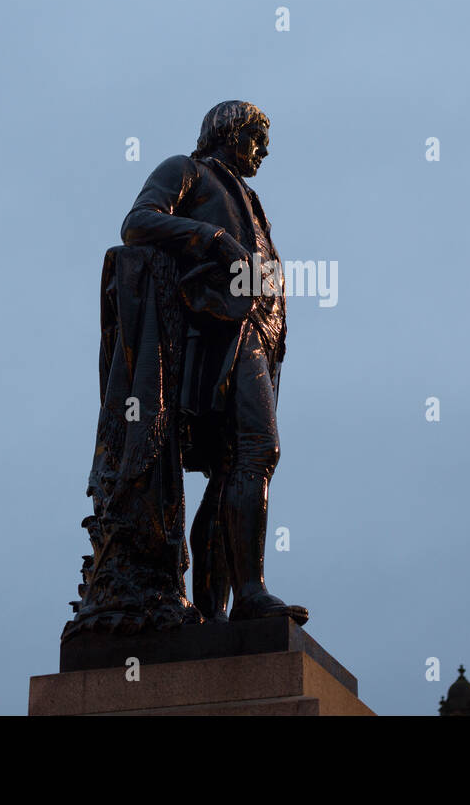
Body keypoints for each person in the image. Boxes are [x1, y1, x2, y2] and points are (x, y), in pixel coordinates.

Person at [120, 100, 307, 625]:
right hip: (219, 332)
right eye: (256, 137)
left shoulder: (250, 198)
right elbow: (137, 222)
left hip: (258, 340)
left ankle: (212, 614)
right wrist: (212, 237)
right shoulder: (186, 170)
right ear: (228, 131)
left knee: (234, 469)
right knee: (259, 449)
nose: (264, 150)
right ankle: (249, 594)